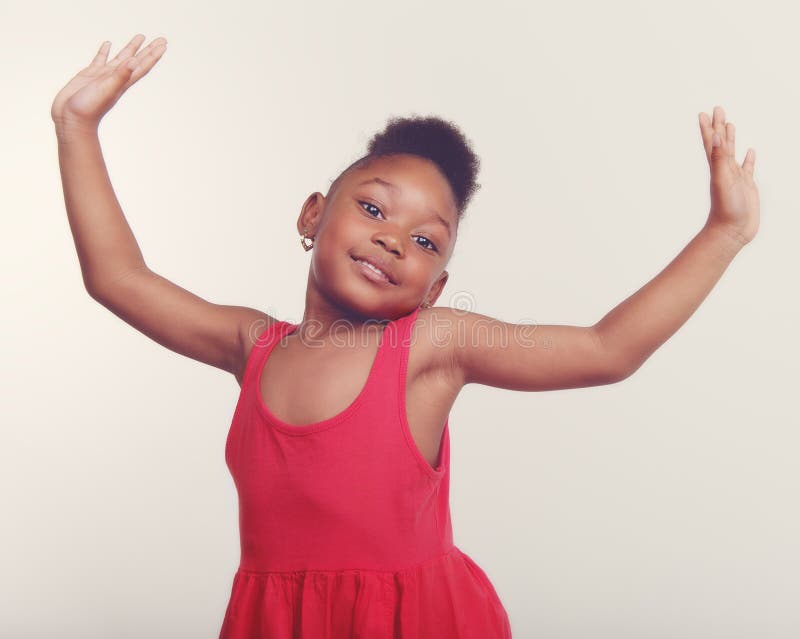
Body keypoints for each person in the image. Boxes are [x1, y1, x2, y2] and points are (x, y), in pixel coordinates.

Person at [51, 34, 760, 639]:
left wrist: (723, 233)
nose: (392, 239)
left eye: (425, 240)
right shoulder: (252, 345)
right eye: (372, 208)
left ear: (435, 287)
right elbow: (118, 278)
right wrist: (77, 127)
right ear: (312, 215)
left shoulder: (430, 347)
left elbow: (607, 349)